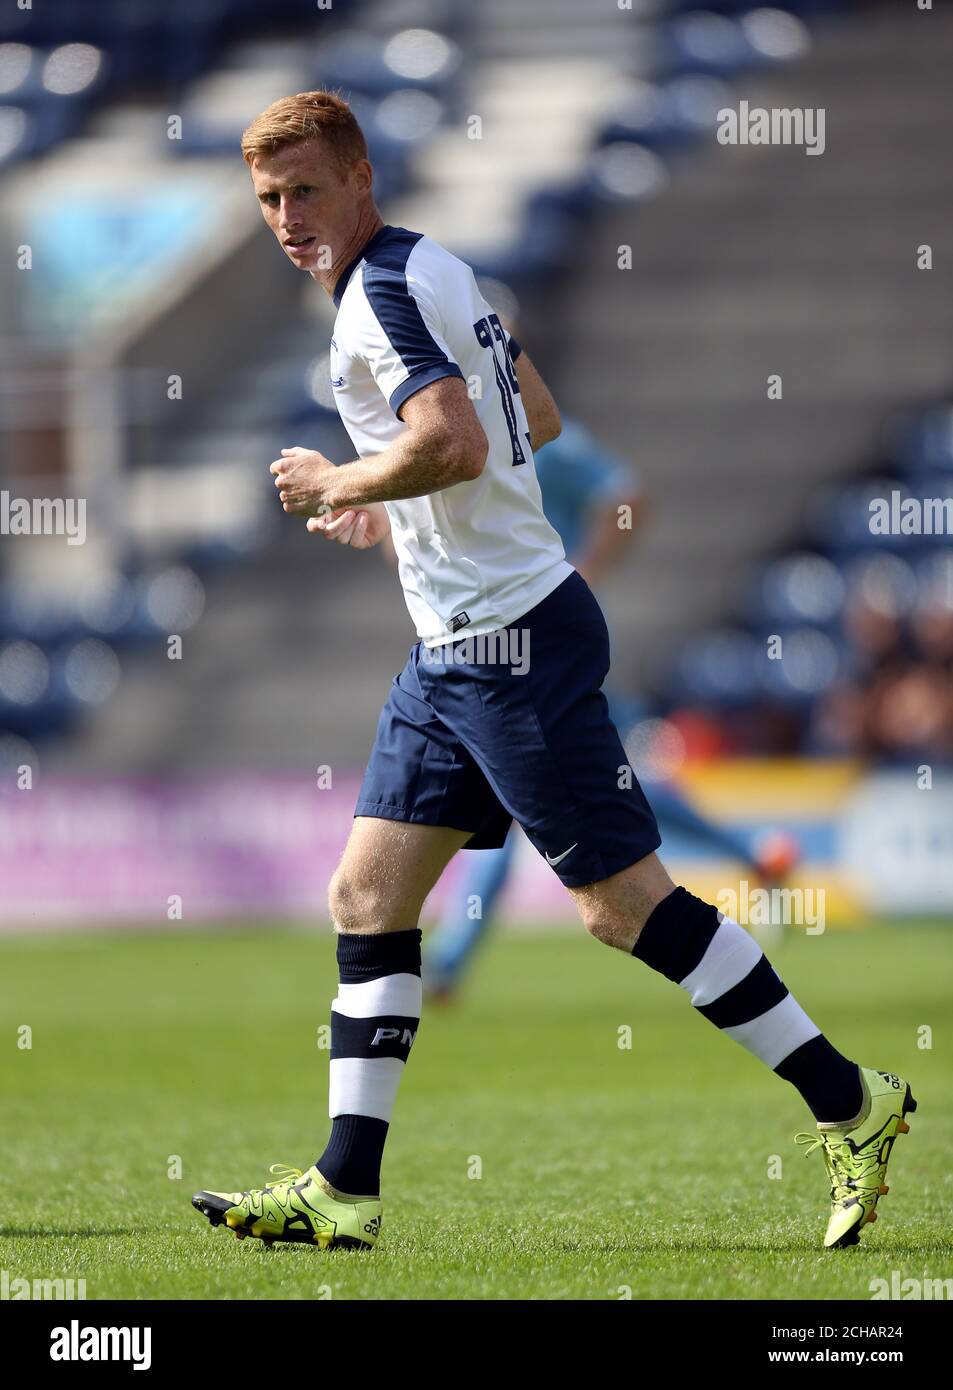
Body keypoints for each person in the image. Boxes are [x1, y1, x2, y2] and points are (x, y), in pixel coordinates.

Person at [191, 91, 916, 1253]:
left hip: (508, 646)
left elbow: (462, 440)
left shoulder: (376, 296)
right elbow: (532, 406)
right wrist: (406, 519)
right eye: (268, 198)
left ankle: (852, 1102)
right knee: (367, 897)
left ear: (361, 175)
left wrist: (342, 482)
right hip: (455, 645)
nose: (286, 216)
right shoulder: (431, 265)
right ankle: (344, 1186)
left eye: (306, 190)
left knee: (622, 909)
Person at [424, 415, 799, 999]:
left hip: (547, 645)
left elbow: (627, 497)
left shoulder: (539, 435)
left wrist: (585, 571)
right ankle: (758, 858)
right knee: (623, 784)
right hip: (496, 648)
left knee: (514, 802)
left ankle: (449, 962)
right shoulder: (451, 437)